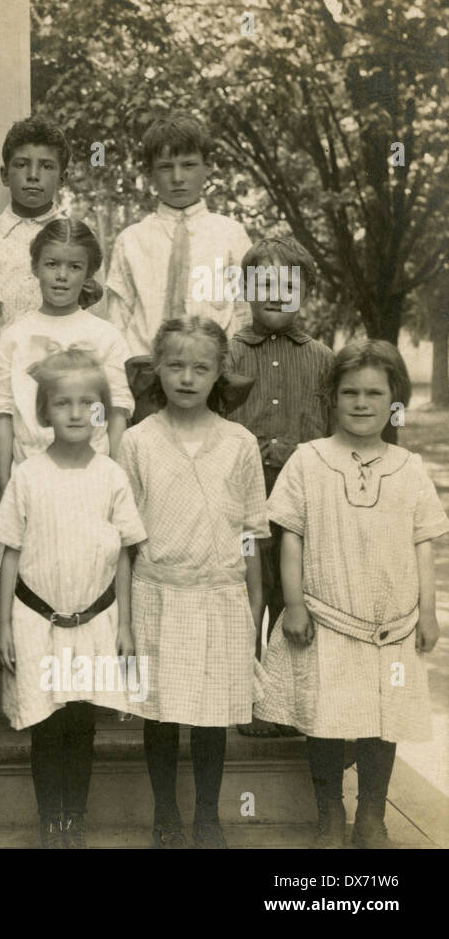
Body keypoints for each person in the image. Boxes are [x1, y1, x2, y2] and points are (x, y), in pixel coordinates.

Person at [255, 341, 446, 849]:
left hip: (393, 623)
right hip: (328, 616)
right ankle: (329, 814)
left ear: (394, 400)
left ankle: (372, 815)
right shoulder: (308, 461)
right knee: (326, 718)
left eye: (374, 393)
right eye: (350, 393)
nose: (361, 403)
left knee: (384, 720)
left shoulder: (409, 466)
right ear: (331, 398)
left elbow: (422, 541)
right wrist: (294, 604)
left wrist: (427, 612)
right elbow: (289, 536)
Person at [117, 316, 269, 848]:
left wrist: (253, 606)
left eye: (200, 367)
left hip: (221, 596)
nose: (187, 377)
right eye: (176, 365)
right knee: (160, 713)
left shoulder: (239, 442)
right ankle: (166, 815)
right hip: (158, 591)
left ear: (219, 372)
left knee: (212, 715)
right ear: (157, 368)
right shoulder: (137, 442)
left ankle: (207, 814)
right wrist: (126, 622)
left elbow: (252, 532)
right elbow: (124, 539)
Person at [0, 349, 147, 848]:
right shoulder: (29, 476)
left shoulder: (112, 476)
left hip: (95, 620)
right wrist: (6, 625)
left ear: (102, 412)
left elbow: (123, 554)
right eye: (63, 403)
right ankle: (49, 821)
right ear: (44, 413)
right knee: (46, 726)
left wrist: (123, 624)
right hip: (37, 620)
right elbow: (9, 554)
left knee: (80, 724)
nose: (77, 413)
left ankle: (74, 819)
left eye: (88, 404)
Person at [225, 236, 334, 738]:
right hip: (237, 500)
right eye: (262, 283)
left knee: (295, 592)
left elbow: (333, 433)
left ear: (306, 291)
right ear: (245, 288)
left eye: (288, 284)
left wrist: (296, 449)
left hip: (300, 501)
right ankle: (243, 695)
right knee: (247, 590)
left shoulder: (324, 360)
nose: (274, 294)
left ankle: (288, 702)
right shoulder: (225, 355)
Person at [0, 219, 132, 496]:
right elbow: (3, 416)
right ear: (35, 267)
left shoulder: (107, 337)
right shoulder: (13, 336)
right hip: (28, 480)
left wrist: (114, 483)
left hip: (91, 481)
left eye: (74, 267)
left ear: (89, 273)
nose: (62, 275)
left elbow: (117, 416)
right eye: (52, 264)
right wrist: (6, 486)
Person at [99, 113, 252, 362]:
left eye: (189, 165)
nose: (178, 178)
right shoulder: (131, 240)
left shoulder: (231, 235)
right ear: (149, 172)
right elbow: (118, 320)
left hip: (213, 373)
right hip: (145, 370)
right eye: (165, 167)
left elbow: (245, 312)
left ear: (208, 166)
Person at [0, 115, 71, 331]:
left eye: (46, 166)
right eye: (22, 164)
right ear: (5, 175)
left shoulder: (79, 237)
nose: (33, 175)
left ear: (62, 179)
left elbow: (95, 315)